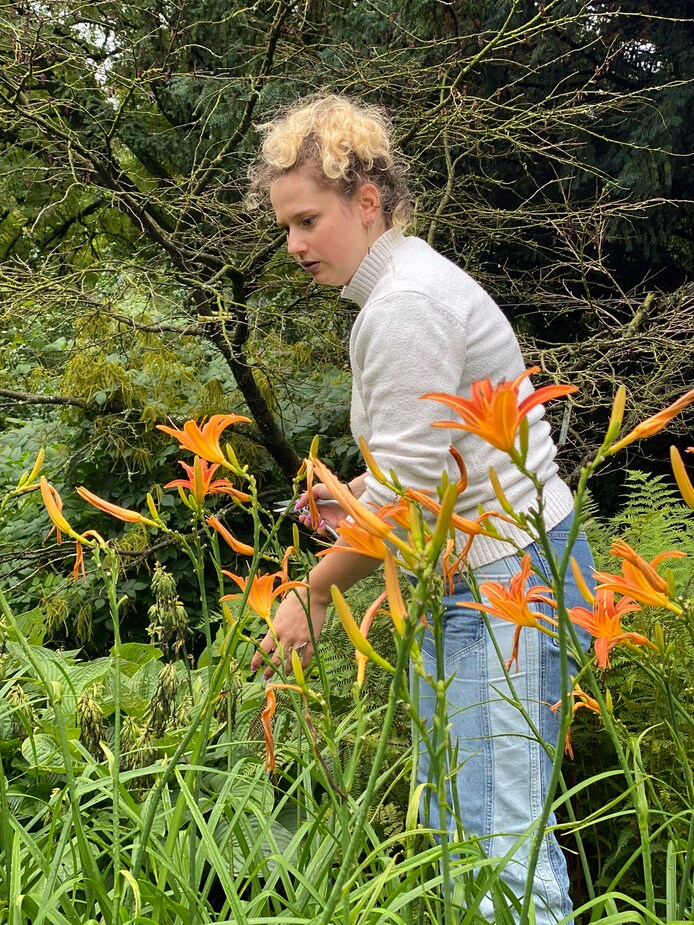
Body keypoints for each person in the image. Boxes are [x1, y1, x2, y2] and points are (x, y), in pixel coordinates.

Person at [247, 94, 594, 923]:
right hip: (500, 568)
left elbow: (408, 504)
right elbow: (430, 468)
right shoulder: (405, 283)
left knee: (496, 854)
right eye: (285, 226)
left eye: (306, 220)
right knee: (471, 835)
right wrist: (352, 494)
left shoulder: (404, 304)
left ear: (367, 203)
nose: (292, 245)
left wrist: (317, 589)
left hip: (509, 588)